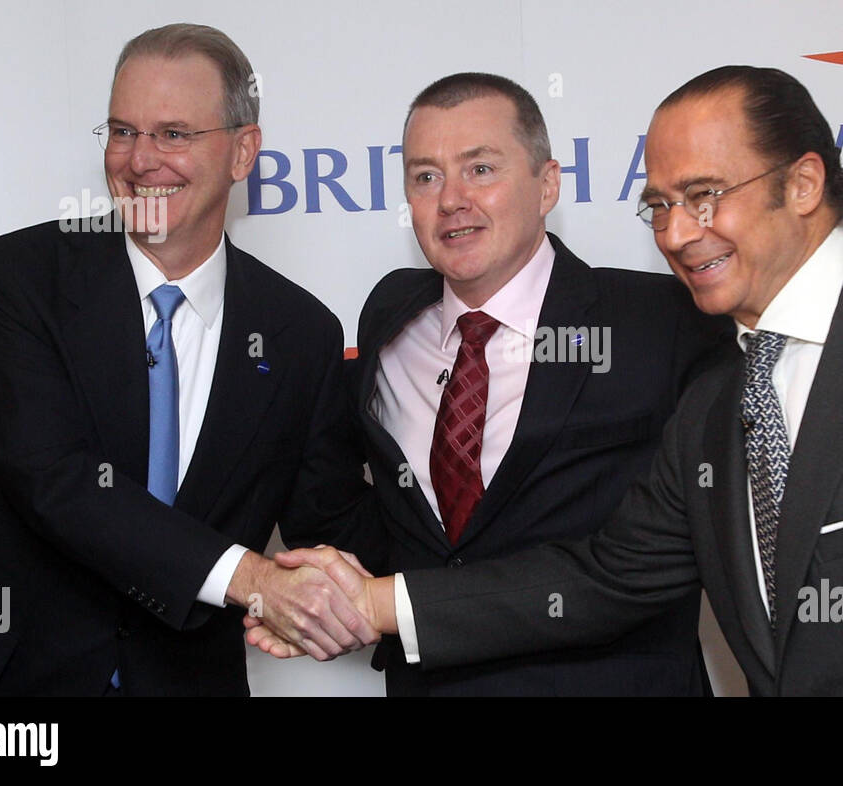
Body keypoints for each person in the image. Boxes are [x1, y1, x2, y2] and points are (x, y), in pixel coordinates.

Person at [260, 66, 843, 696]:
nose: (675, 233)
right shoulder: (718, 399)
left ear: (802, 184)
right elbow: (606, 577)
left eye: (705, 196)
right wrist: (376, 603)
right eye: (659, 204)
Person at [0, 23, 376, 697]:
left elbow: (328, 522)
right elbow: (56, 482)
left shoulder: (300, 332)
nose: (140, 159)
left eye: (173, 134)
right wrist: (253, 579)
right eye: (123, 131)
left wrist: (462, 586)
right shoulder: (14, 278)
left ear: (244, 152)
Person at [306, 73, 734, 696]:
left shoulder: (664, 321)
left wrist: (386, 603)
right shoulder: (389, 312)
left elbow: (677, 547)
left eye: (480, 169)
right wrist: (356, 589)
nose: (452, 198)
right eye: (426, 177)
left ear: (548, 184)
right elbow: (340, 485)